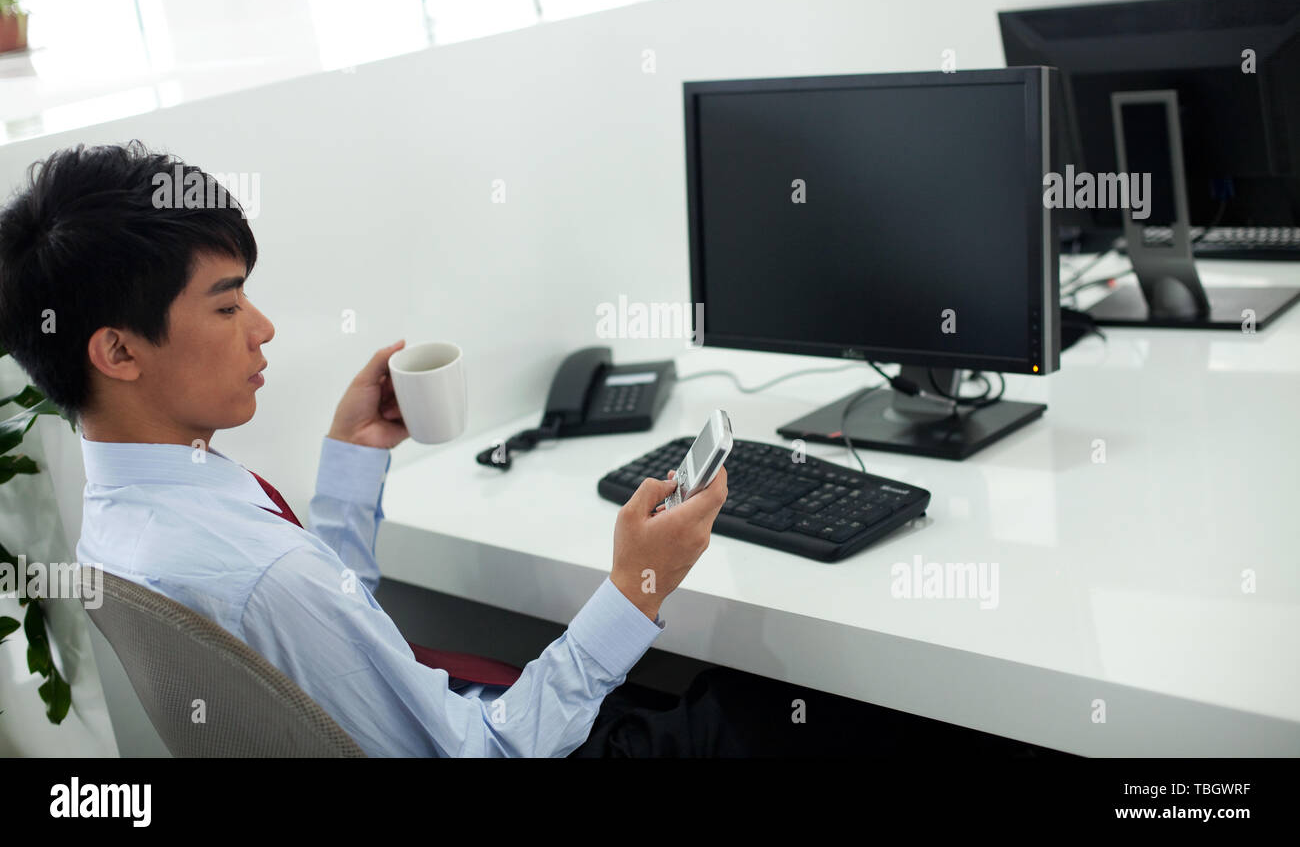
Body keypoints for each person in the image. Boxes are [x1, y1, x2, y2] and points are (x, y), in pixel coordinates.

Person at [0, 141, 1058, 758]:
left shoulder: (133, 511)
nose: (265, 330)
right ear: (117, 348)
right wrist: (635, 588)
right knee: (806, 701)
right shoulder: (257, 570)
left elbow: (309, 628)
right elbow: (494, 749)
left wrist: (350, 470)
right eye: (228, 304)